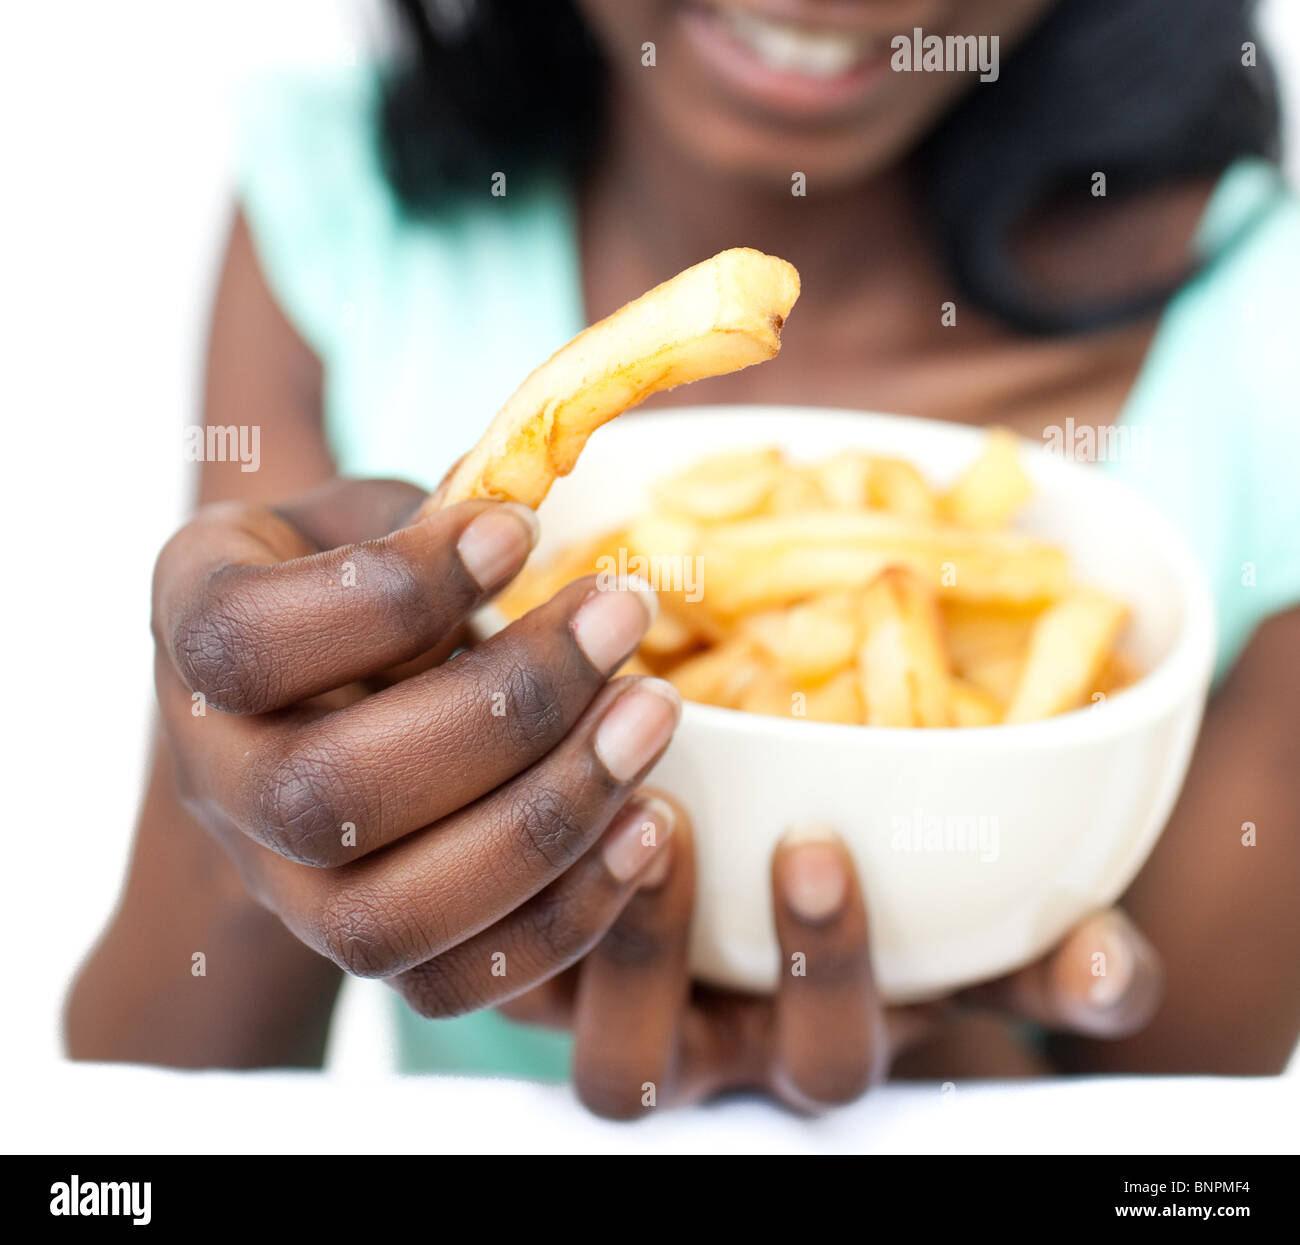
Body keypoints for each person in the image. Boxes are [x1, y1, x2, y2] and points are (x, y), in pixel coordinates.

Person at [67, 0, 1300, 1117]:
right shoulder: (343, 210)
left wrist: (917, 1053)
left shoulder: (1264, 345)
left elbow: (1189, 1162)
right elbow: (123, 1141)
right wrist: (242, 813)